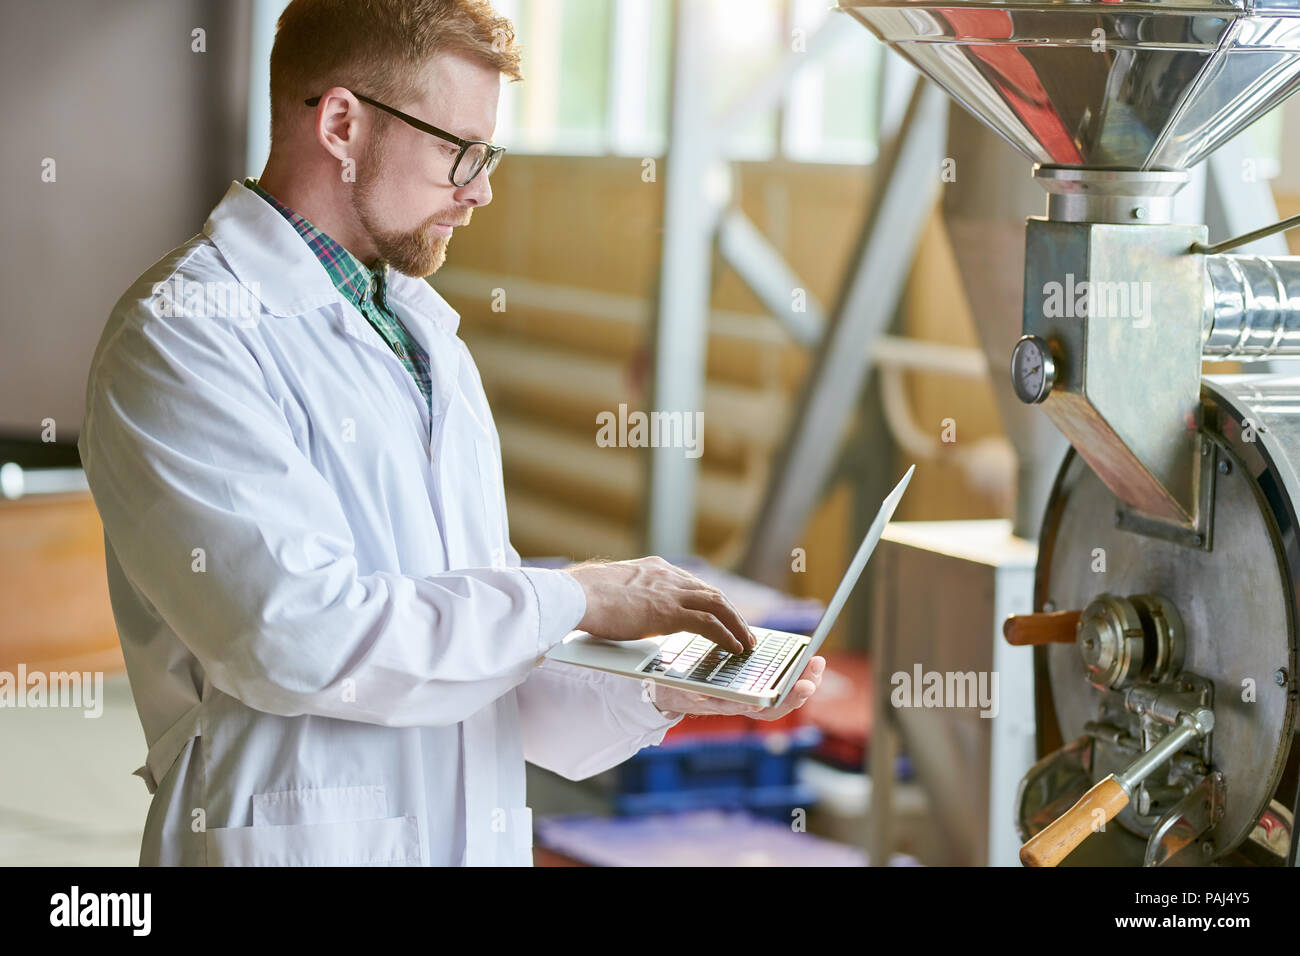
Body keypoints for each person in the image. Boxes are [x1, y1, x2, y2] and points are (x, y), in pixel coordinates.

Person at [78, 0, 824, 866]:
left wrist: (666, 693)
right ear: (344, 123)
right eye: (457, 151)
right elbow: (291, 639)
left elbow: (478, 662)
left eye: (488, 152)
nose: (481, 189)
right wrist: (576, 596)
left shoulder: (422, 335)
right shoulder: (182, 333)